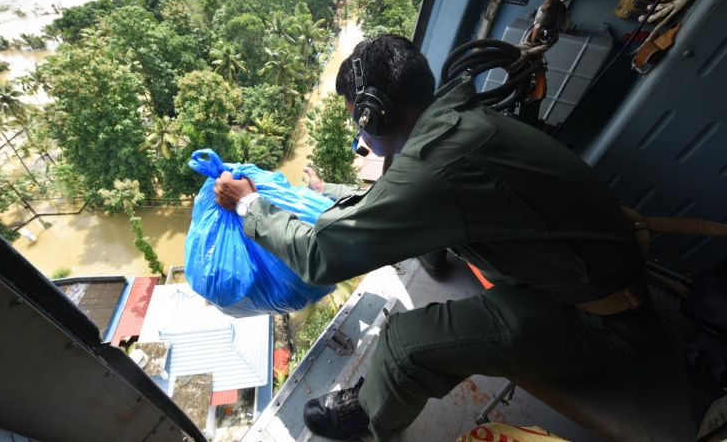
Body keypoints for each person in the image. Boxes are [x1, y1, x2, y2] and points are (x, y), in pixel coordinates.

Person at [213, 34, 663, 441]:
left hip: (604, 322)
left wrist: (249, 205)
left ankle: (370, 421)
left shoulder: (437, 165)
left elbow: (320, 256)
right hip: (587, 279)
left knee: (403, 345)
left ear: (376, 112)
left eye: (357, 121)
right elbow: (398, 198)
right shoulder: (457, 123)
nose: (359, 134)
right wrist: (324, 191)